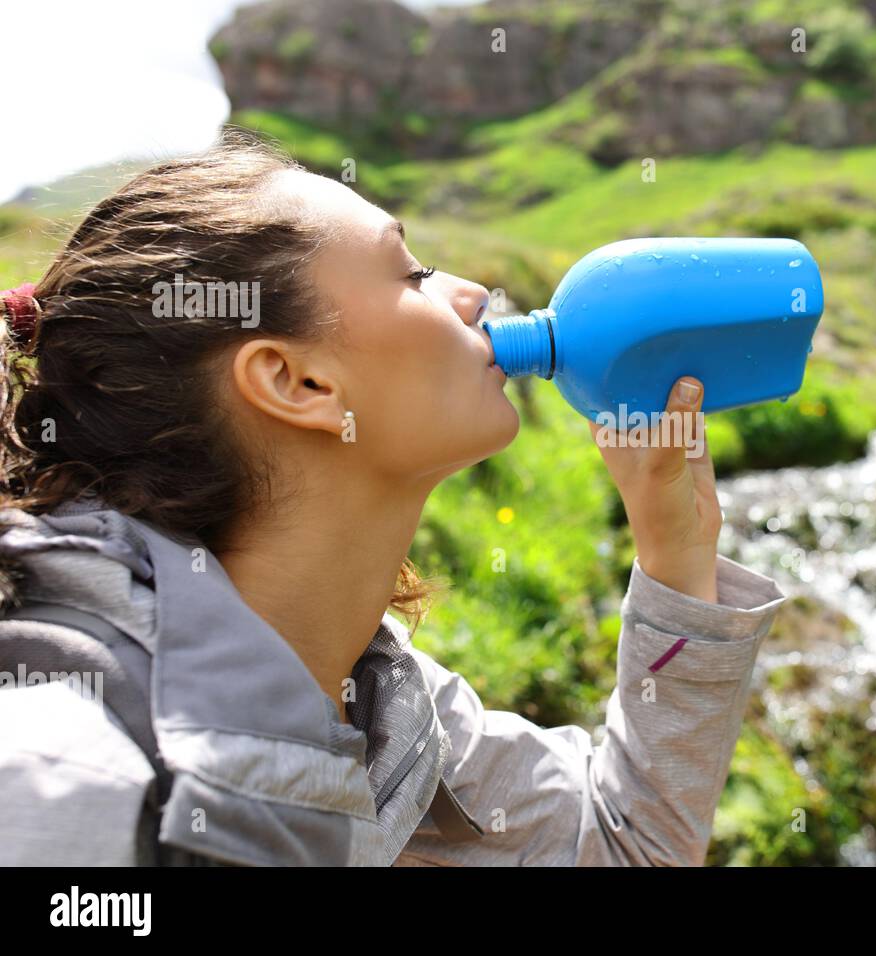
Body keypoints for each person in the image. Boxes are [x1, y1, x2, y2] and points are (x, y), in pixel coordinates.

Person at [0, 129, 787, 866]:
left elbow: (624, 845)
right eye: (412, 273)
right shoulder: (65, 777)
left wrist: (675, 558)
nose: (475, 293)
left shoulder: (384, 714)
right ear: (296, 381)